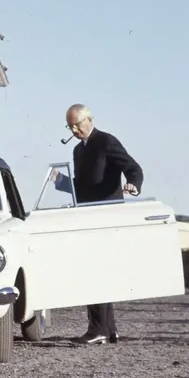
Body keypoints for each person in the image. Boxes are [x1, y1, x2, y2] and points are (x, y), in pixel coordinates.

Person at [50, 104, 143, 344]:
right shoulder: (78, 151)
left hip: (106, 217)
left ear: (89, 120)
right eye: (69, 125)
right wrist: (60, 181)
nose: (74, 129)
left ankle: (97, 329)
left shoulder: (106, 141)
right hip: (87, 216)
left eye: (77, 124)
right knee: (96, 270)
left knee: (96, 271)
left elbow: (133, 167)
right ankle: (108, 328)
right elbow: (81, 187)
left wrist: (133, 183)